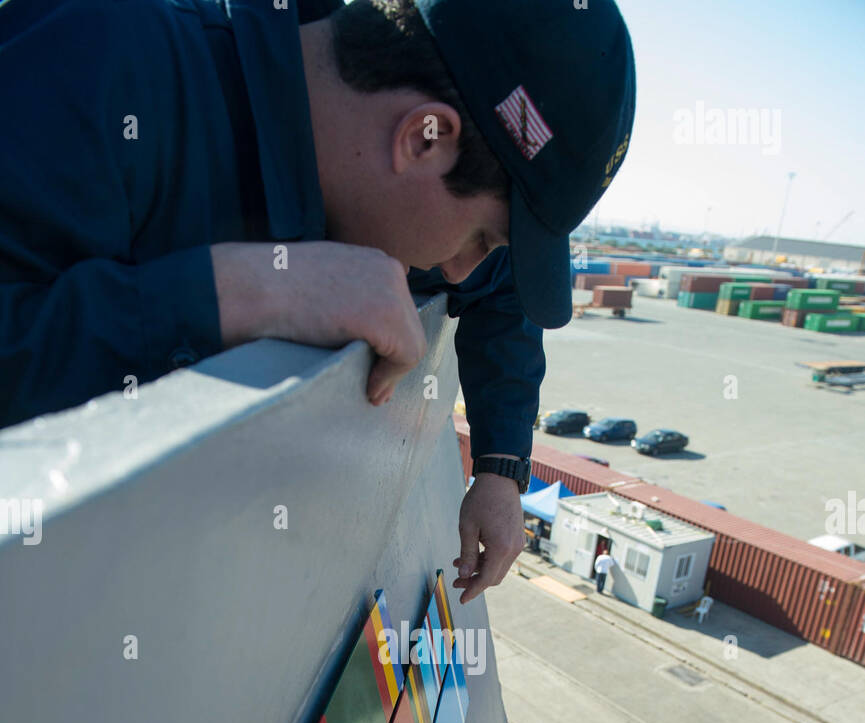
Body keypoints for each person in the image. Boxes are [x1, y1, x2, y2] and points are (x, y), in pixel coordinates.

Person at [0, 0, 635, 605]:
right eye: (481, 238)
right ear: (423, 140)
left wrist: (499, 468)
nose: (462, 269)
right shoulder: (93, 58)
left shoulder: (376, 187)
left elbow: (499, 292)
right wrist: (245, 291)